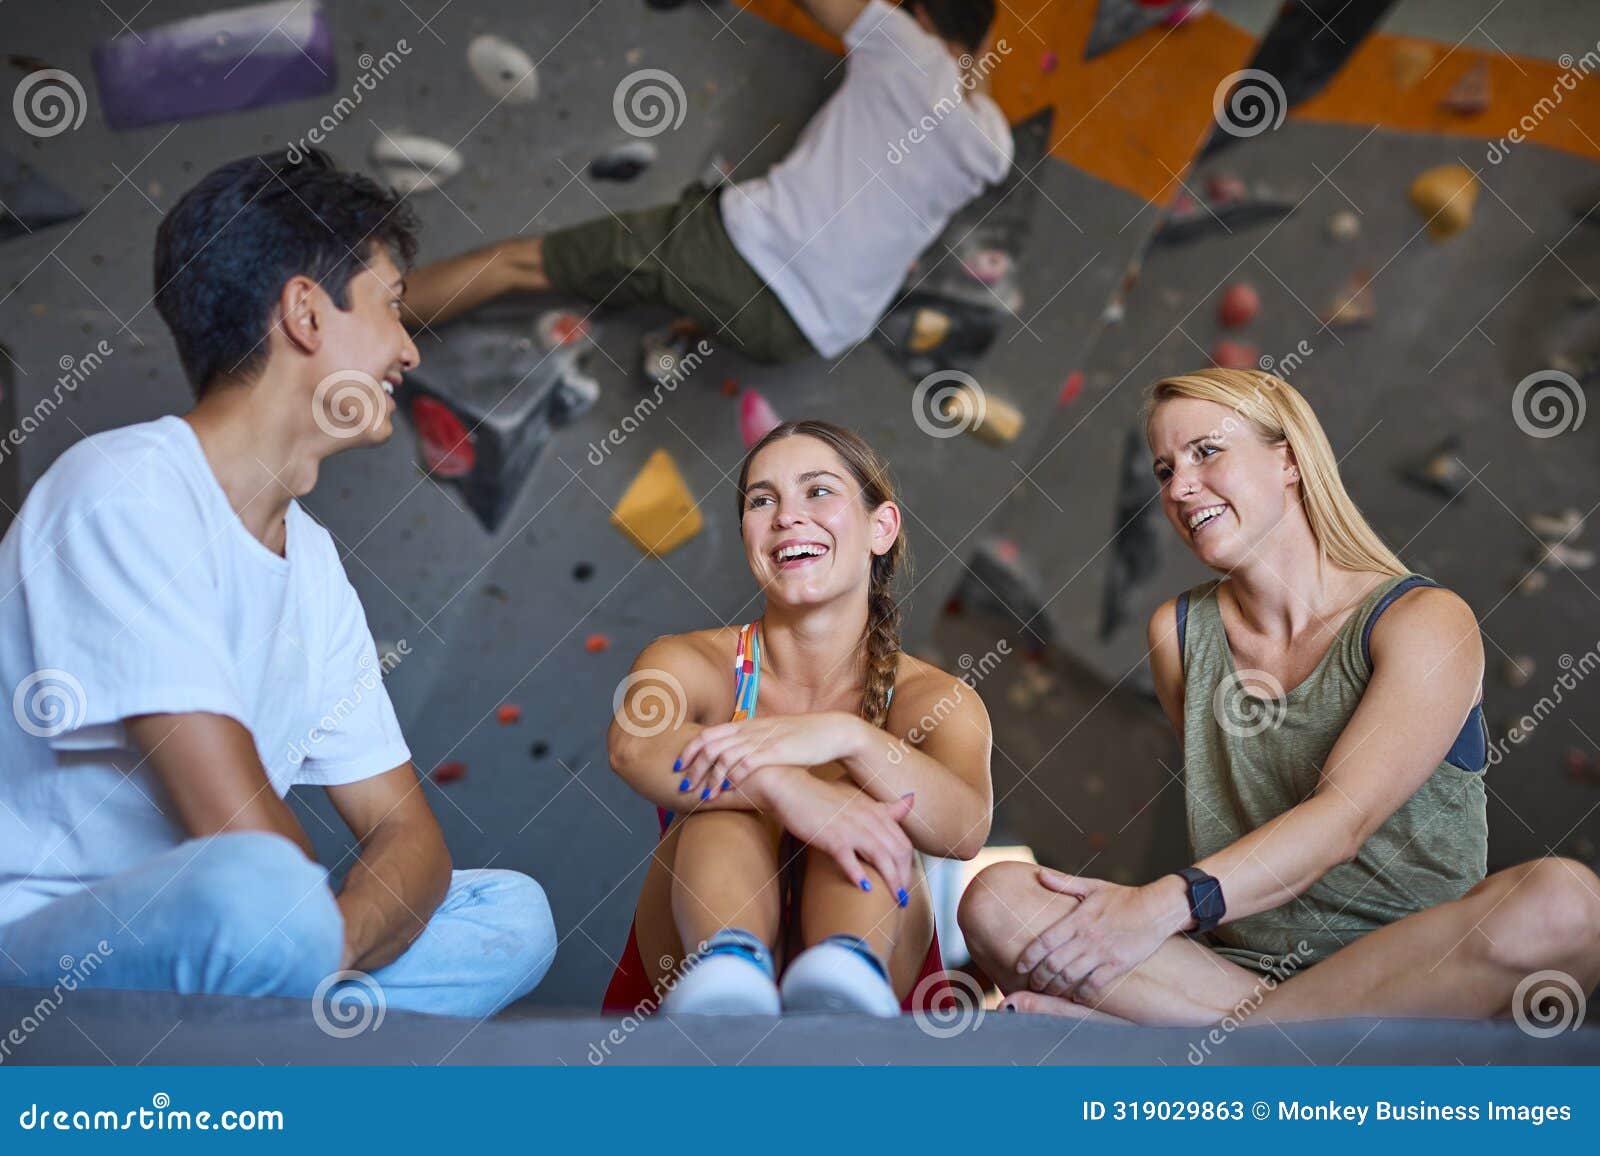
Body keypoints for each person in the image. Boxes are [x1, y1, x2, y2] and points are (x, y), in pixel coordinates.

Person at [0, 150, 555, 1017]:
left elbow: (408, 836)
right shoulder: (123, 489)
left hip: (266, 940)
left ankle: (286, 1017)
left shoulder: (314, 561)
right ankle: (300, 1021)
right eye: (392, 306)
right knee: (259, 893)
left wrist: (316, 947)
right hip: (53, 955)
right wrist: (302, 935)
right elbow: (235, 836)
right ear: (304, 311)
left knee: (510, 913)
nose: (408, 350)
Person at [958, 368, 1600, 1024]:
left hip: (1415, 982)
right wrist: (1140, 927)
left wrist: (1153, 908)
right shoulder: (1179, 636)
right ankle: (1261, 1050)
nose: (1179, 488)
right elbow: (1240, 817)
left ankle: (1212, 1053)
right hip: (1241, 981)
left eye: (1207, 452)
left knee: (1567, 902)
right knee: (999, 900)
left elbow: (1341, 823)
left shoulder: (1424, 620)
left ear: (1288, 460)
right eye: (1163, 468)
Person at [603, 421, 992, 1015]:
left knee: (861, 824)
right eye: (763, 500)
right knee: (727, 807)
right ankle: (727, 972)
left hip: (881, 966)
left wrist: (848, 738)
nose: (787, 516)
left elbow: (964, 830)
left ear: (881, 528)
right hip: (679, 972)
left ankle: (845, 974)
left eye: (818, 491)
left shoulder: (935, 698)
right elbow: (633, 748)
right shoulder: (686, 660)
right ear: (748, 537)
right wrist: (784, 787)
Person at [400, 0, 1012, 365]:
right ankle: (684, 317)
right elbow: (968, 81)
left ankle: (369, 324)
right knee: (680, 285)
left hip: (741, 257)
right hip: (812, 335)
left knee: (515, 264)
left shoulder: (908, 49)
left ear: (921, 14)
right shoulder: (994, 145)